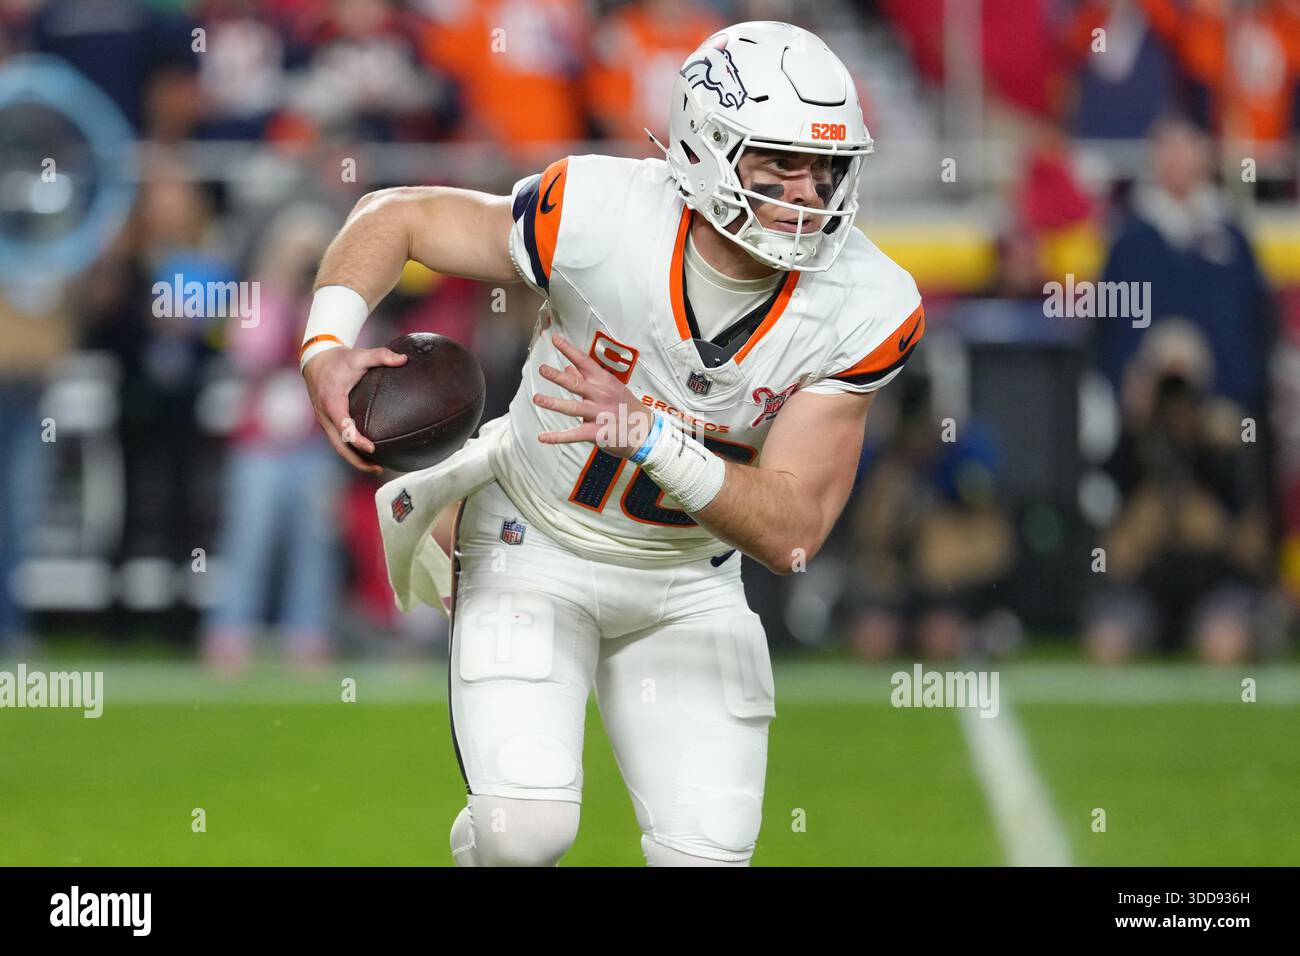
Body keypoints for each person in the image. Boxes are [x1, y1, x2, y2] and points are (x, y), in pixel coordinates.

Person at [301, 22, 924, 866]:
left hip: (687, 584)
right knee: (525, 835)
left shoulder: (865, 303)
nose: (807, 195)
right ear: (707, 148)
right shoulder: (600, 214)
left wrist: (654, 437)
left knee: (703, 856)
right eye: (777, 164)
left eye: (825, 169)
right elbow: (400, 216)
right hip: (534, 544)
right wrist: (326, 344)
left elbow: (794, 530)